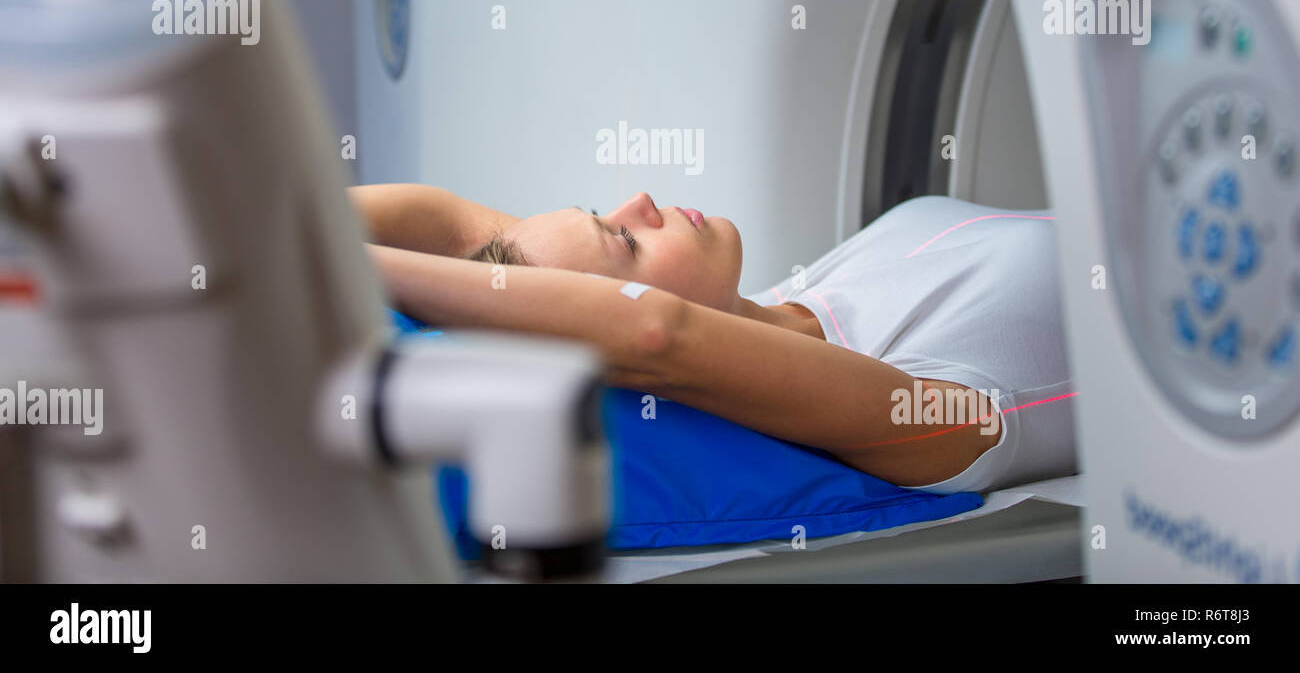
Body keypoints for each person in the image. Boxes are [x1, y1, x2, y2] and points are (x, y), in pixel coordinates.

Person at [349, 184, 1077, 493]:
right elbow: (660, 337)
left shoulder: (794, 299)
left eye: (605, 210)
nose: (640, 202)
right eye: (624, 241)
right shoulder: (921, 412)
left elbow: (444, 223)